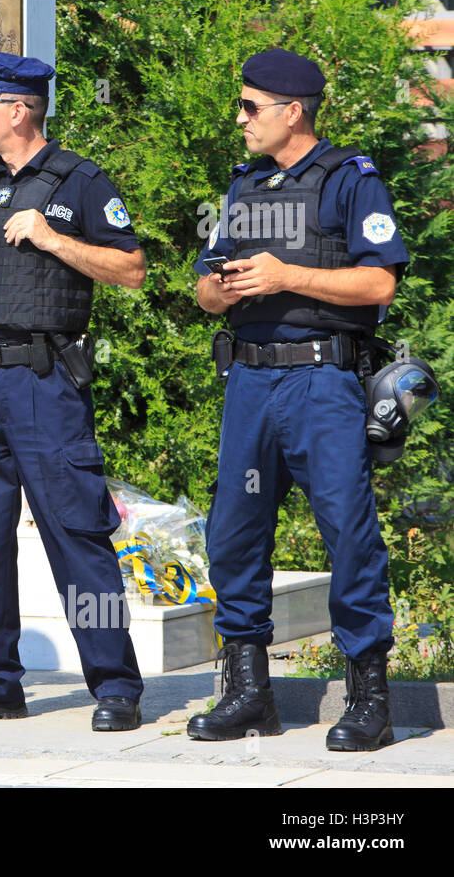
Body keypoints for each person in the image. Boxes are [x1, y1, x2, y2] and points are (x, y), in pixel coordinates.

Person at [189, 47, 409, 751]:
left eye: (250, 106)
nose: (240, 118)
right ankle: (248, 694)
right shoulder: (244, 185)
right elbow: (204, 294)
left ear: (293, 112)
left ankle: (369, 700)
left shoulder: (350, 180)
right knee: (233, 533)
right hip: (250, 380)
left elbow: (378, 284)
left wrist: (287, 276)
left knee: (348, 532)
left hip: (322, 382)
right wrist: (221, 288)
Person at [0, 49, 146, 730]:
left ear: (19, 110)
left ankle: (115, 686)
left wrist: (54, 239)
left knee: (75, 530)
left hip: (43, 381)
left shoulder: (81, 181)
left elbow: (131, 269)